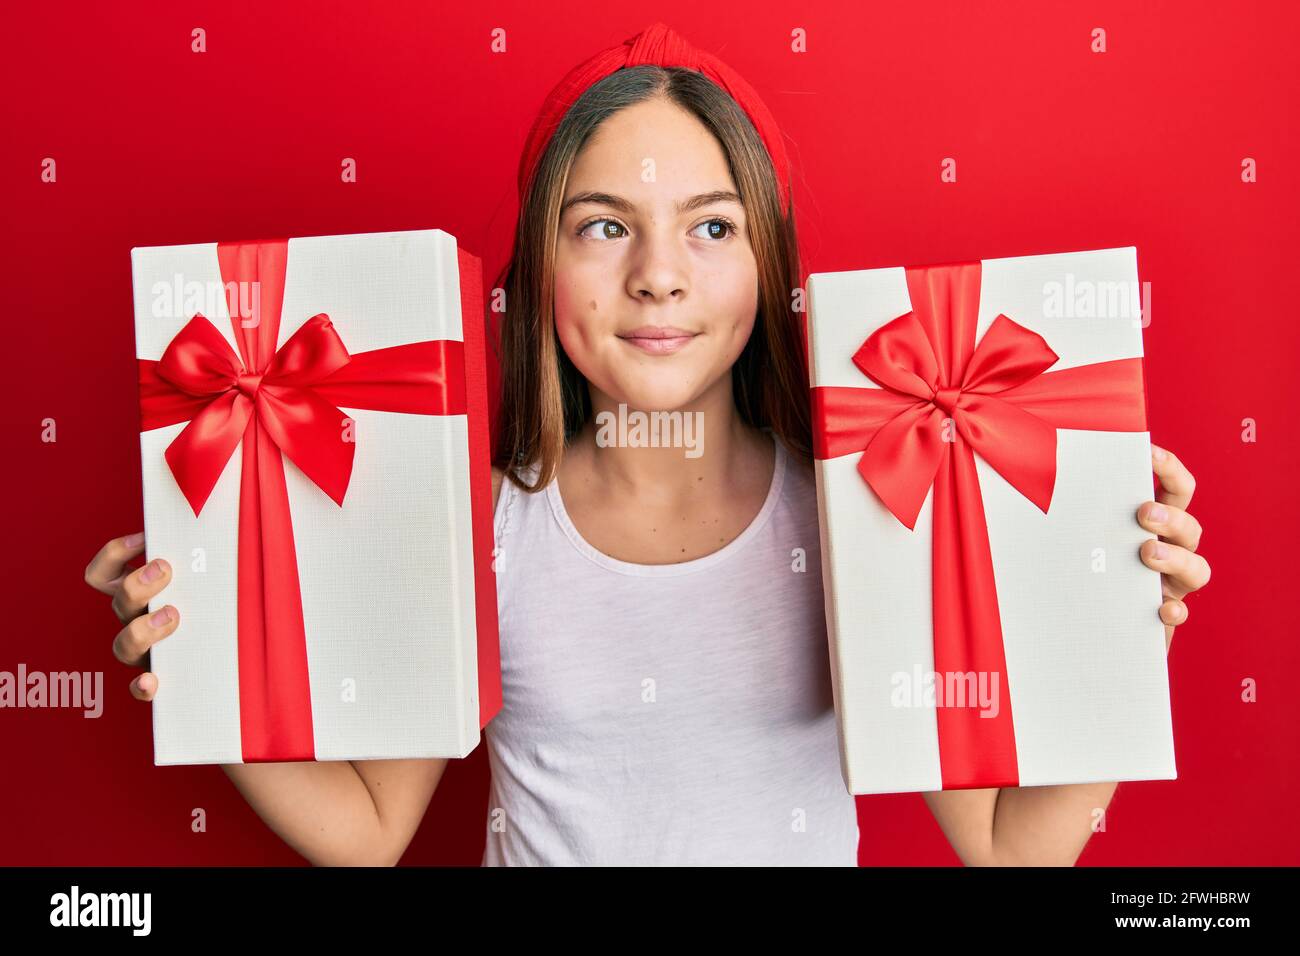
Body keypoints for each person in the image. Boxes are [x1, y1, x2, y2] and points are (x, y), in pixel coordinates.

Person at [84, 22, 1211, 866]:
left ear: (768, 263)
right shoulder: (476, 521)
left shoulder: (863, 506)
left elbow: (1015, 846)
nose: (658, 274)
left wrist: (1115, 623)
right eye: (604, 225)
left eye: (711, 227)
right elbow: (370, 830)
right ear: (537, 267)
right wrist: (207, 665)